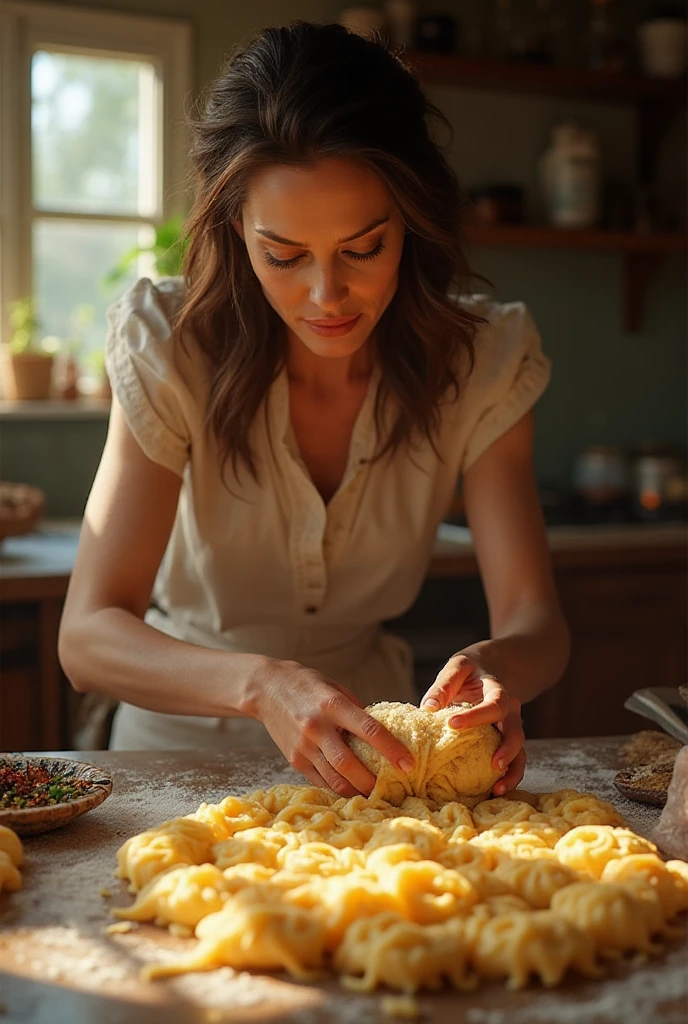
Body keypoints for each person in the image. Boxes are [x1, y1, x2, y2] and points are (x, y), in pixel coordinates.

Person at [58, 21, 570, 800]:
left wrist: (498, 666)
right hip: (173, 758)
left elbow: (538, 623)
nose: (327, 296)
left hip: (376, 760)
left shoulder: (482, 361)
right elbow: (88, 637)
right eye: (284, 255)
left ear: (411, 220)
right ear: (237, 229)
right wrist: (262, 685)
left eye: (363, 249)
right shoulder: (171, 345)